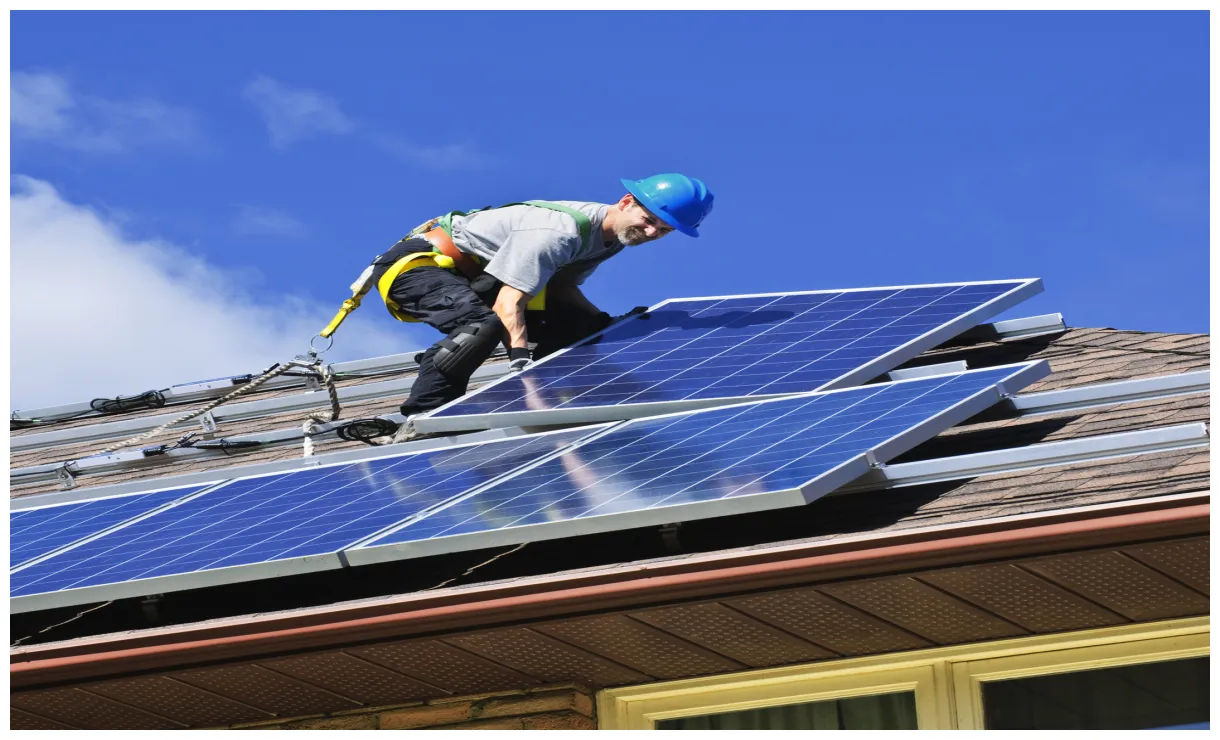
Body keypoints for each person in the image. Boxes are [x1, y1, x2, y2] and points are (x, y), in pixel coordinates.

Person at [325, 173, 714, 444]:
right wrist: (520, 363)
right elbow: (509, 304)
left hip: (480, 277)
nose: (650, 234)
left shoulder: (610, 240)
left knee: (583, 331)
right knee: (485, 324)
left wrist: (602, 324)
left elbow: (560, 289)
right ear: (627, 201)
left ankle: (570, 396)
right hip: (420, 267)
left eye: (662, 231)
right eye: (648, 221)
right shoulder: (559, 232)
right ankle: (427, 414)